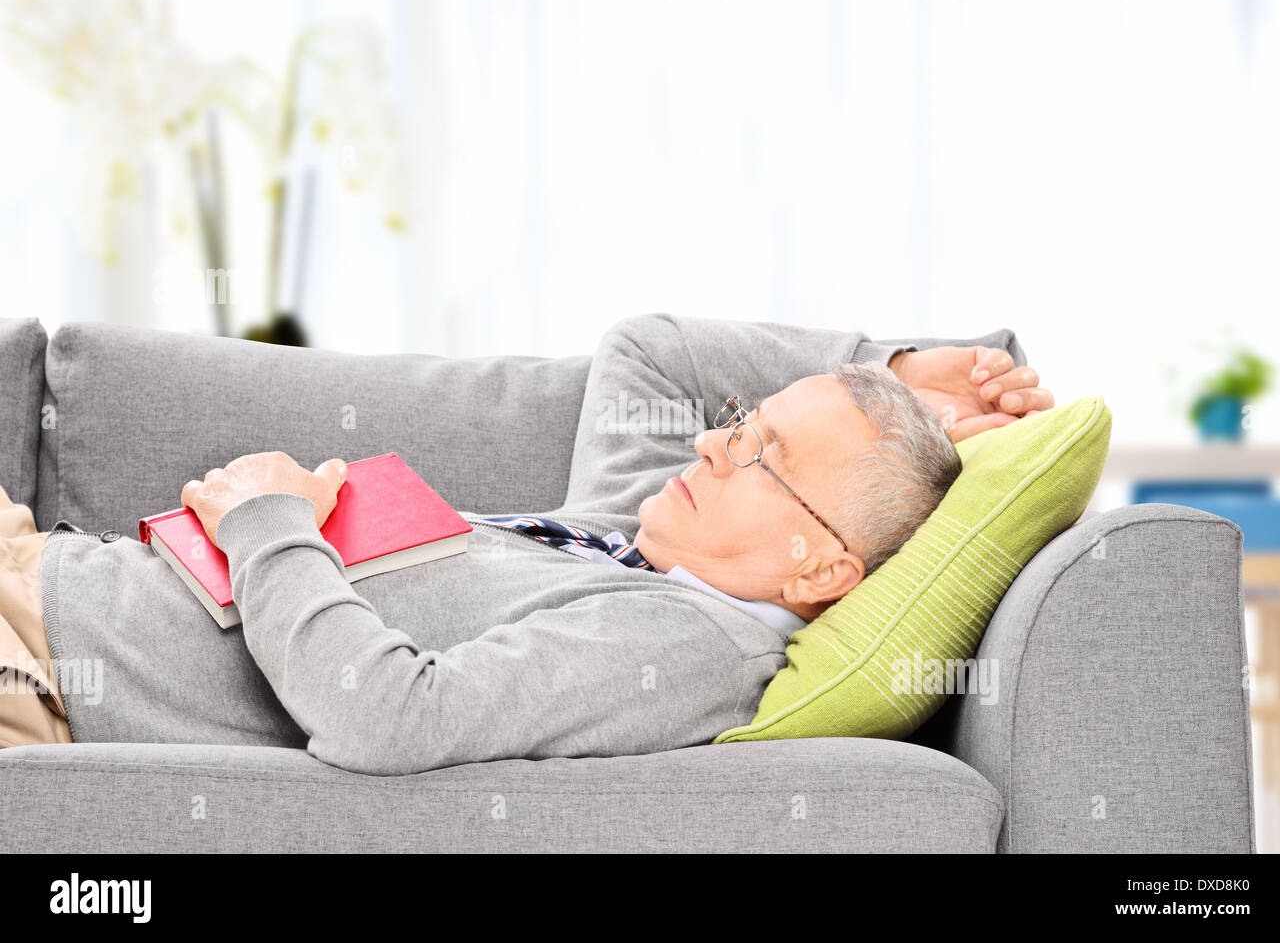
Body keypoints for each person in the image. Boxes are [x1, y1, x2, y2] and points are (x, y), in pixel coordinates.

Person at [0, 314, 1051, 771]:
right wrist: (899, 369)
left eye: (755, 450)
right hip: (45, 563)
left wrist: (268, 522)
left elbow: (392, 718)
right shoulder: (646, 542)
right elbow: (651, 348)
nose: (707, 440)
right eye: (739, 416)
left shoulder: (683, 643)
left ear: (822, 567)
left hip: (40, 657)